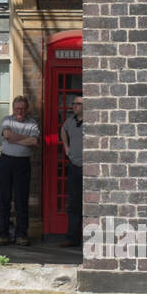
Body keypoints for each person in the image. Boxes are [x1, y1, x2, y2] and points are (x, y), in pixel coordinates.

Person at [0, 95, 40, 246]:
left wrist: (15, 138)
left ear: (26, 109)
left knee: (21, 199)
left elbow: (34, 141)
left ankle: (21, 234)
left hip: (23, 163)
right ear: (13, 109)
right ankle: (3, 234)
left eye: (22, 108)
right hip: (6, 161)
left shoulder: (32, 123)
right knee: (4, 199)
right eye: (17, 108)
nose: (19, 111)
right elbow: (7, 135)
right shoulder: (7, 120)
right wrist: (24, 139)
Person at [60, 94, 83, 248]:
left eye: (78, 104)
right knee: (74, 204)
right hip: (74, 166)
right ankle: (73, 238)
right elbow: (63, 130)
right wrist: (66, 146)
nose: (74, 106)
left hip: (90, 168)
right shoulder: (70, 121)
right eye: (74, 103)